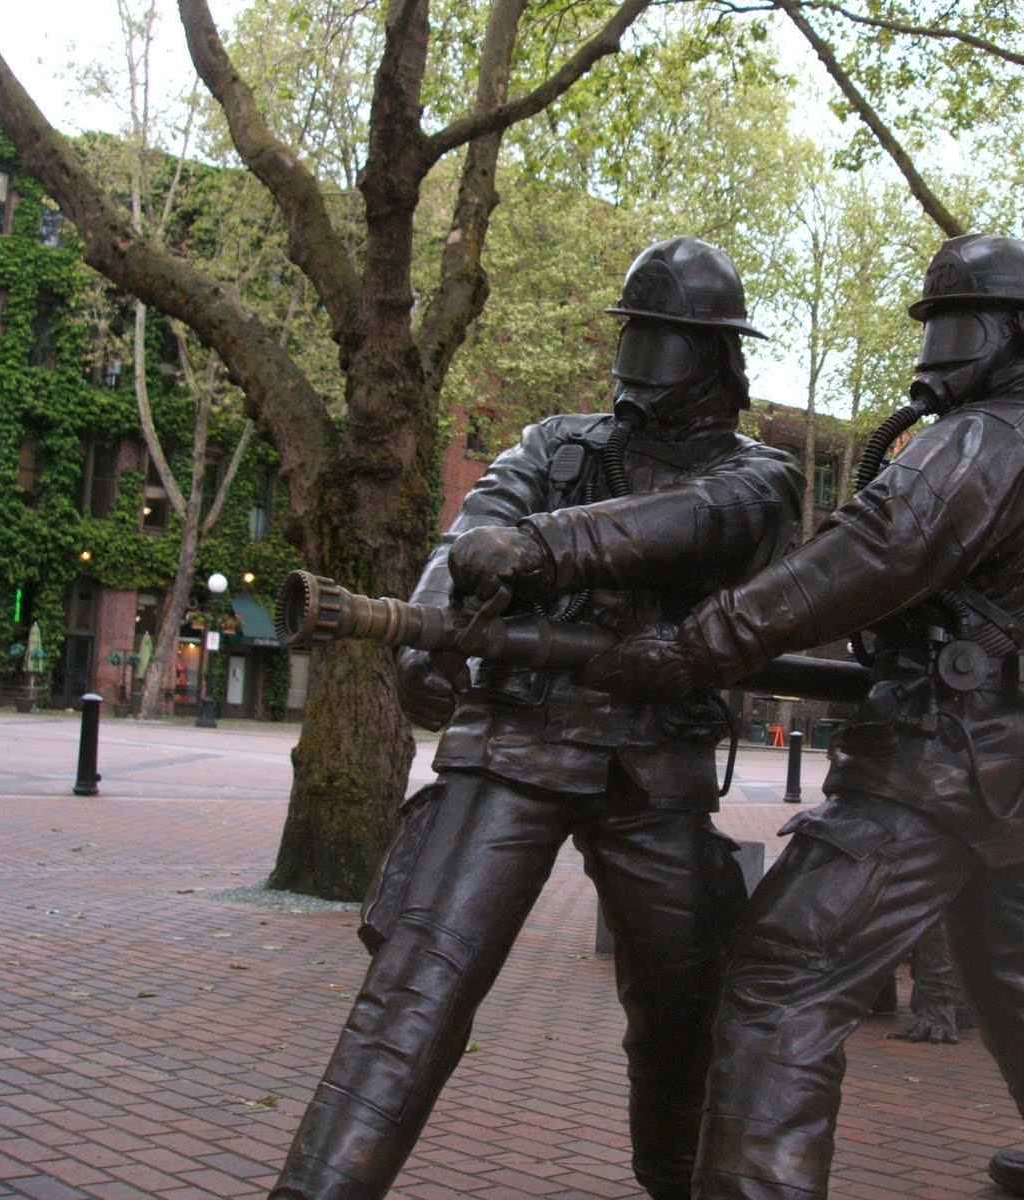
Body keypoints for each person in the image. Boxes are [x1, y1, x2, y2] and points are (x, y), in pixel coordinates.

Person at [586, 234, 1024, 1200]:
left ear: (1016, 339)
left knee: (781, 971)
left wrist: (697, 647)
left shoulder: (986, 442)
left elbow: (863, 560)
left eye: (959, 326)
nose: (939, 351)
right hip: (1021, 770)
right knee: (1019, 974)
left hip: (937, 767)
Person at [270, 236, 804, 1200]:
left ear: (718, 357)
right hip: (519, 737)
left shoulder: (761, 475)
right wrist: (431, 637)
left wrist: (544, 547)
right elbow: (474, 526)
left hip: (656, 768)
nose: (645, 363)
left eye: (667, 342)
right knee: (417, 988)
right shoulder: (561, 443)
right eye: (638, 337)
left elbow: (697, 523)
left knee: (688, 1014)